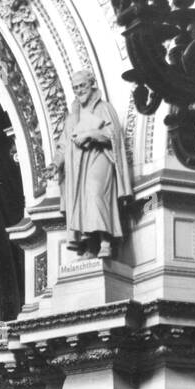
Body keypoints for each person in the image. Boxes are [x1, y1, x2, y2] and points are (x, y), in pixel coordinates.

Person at [52, 69, 132, 258]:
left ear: (91, 84)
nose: (79, 90)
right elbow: (63, 145)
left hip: (99, 157)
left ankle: (106, 241)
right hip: (78, 167)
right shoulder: (73, 116)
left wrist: (91, 135)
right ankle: (90, 245)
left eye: (82, 86)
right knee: (82, 202)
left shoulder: (104, 108)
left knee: (96, 194)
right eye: (75, 88)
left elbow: (113, 136)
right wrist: (55, 164)